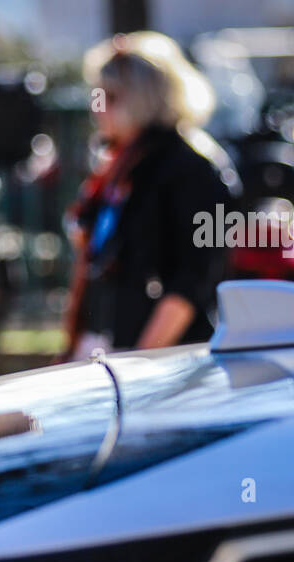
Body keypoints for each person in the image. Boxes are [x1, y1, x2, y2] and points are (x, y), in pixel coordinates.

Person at [60, 31, 236, 361]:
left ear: (145, 98)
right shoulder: (121, 165)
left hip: (167, 363)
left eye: (110, 97)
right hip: (110, 349)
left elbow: (193, 282)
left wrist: (140, 363)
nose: (96, 108)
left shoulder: (198, 168)